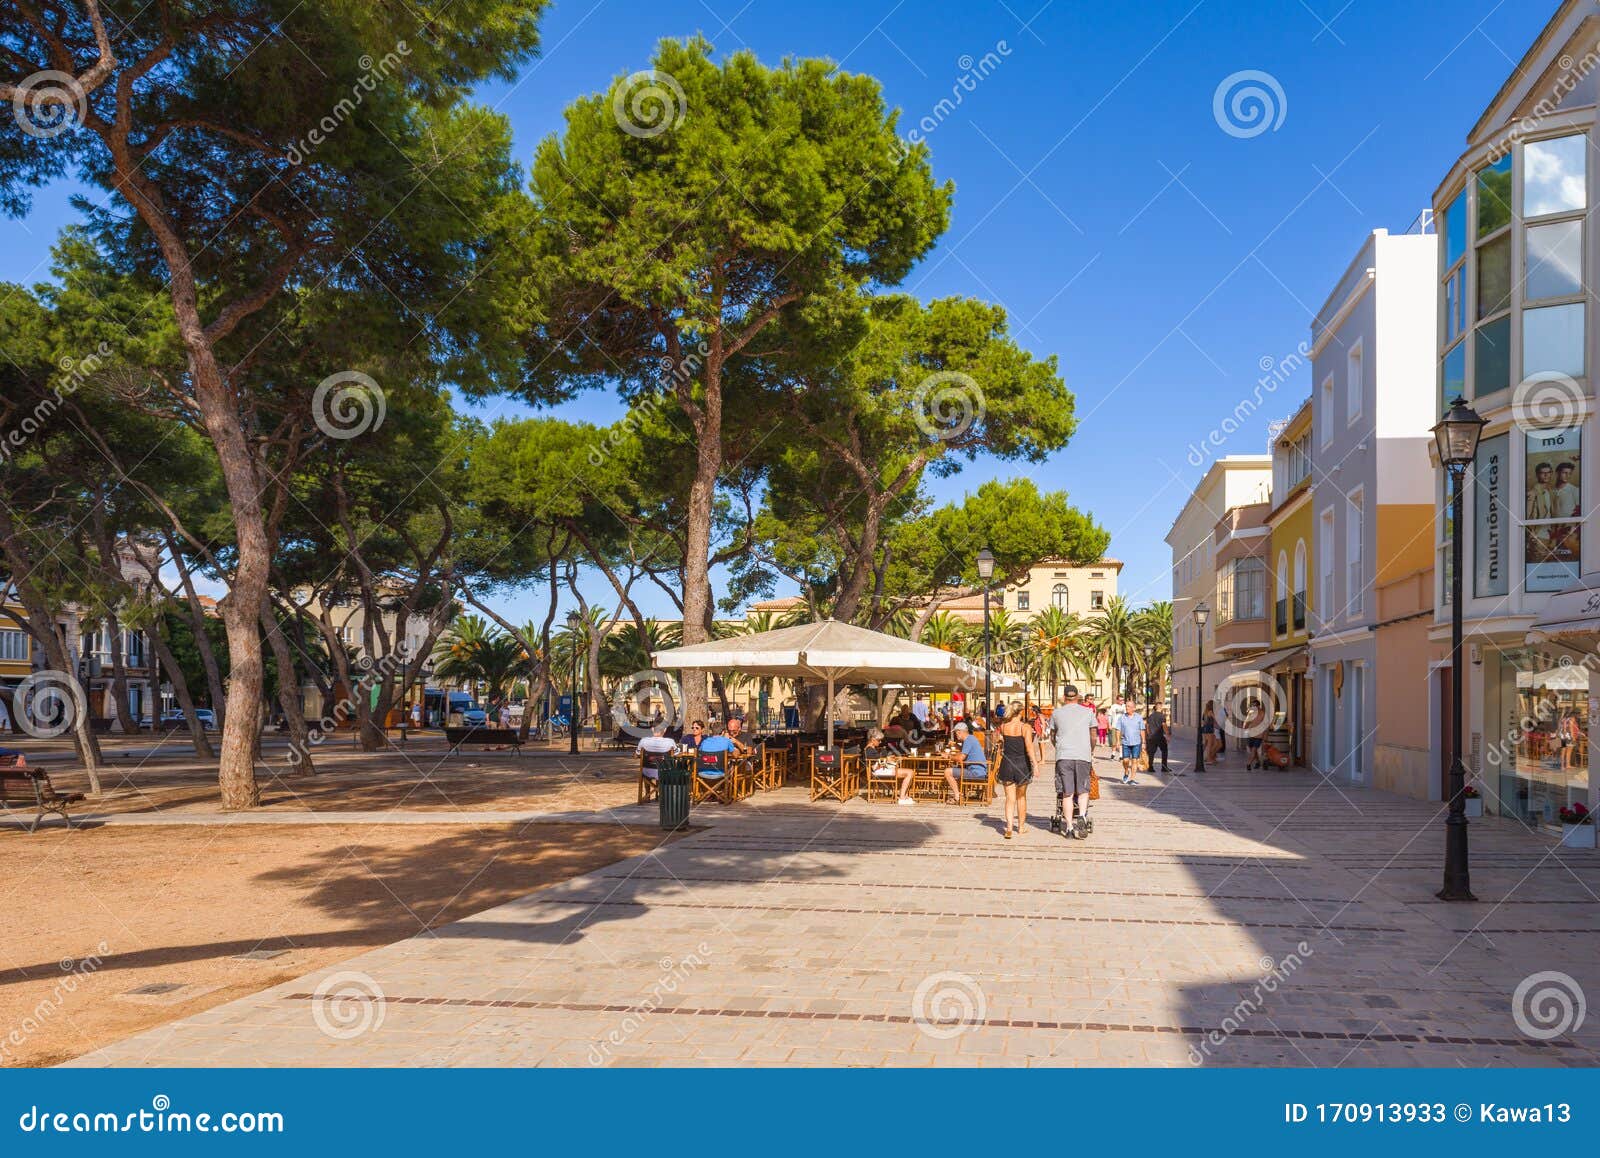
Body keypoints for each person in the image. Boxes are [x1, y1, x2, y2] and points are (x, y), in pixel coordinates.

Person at [1045, 685, 1097, 839]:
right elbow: (1093, 736)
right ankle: (1081, 816)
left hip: (1064, 756)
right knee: (1083, 791)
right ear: (1078, 696)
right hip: (1082, 756)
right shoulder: (1088, 712)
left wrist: (1059, 747)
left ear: (1064, 697)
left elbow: (1052, 736)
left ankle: (1068, 828)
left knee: (1067, 793)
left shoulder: (1056, 713)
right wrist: (1090, 750)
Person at [995, 703, 1038, 839]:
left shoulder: (1003, 727)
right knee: (1021, 797)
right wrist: (1035, 764)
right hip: (1022, 764)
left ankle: (1008, 828)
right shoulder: (1025, 727)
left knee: (1009, 798)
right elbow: (1029, 748)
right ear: (1021, 712)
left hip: (1007, 763)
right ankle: (1020, 827)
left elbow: (1000, 742)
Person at [942, 722, 988, 804]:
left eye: (956, 733)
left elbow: (960, 758)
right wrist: (956, 745)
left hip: (976, 772)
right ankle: (959, 795)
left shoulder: (968, 740)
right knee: (953, 770)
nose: (956, 735)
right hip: (978, 770)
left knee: (947, 771)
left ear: (960, 732)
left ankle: (957, 797)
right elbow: (964, 752)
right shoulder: (970, 738)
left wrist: (948, 756)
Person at [1116, 701, 1145, 784]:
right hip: (1125, 742)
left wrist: (1143, 742)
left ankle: (1132, 779)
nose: (1126, 708)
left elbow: (1142, 730)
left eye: (1128, 706)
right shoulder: (1121, 717)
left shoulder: (1139, 717)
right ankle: (1126, 771)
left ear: (1134, 708)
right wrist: (1118, 741)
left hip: (1137, 742)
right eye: (1126, 706)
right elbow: (1118, 730)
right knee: (1125, 760)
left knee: (1134, 761)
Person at [1145, 702, 1169, 774]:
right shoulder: (1162, 716)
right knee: (1164, 751)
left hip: (1151, 737)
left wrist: (1149, 734)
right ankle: (1164, 767)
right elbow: (1164, 726)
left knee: (1151, 752)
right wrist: (1167, 734)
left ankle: (1150, 767)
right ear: (1160, 707)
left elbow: (1147, 725)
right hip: (1159, 736)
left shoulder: (1151, 716)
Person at [1201, 701, 1220, 766]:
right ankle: (1209, 759)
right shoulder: (1211, 712)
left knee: (1207, 744)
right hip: (1209, 730)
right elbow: (1216, 720)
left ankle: (1201, 756)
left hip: (1205, 729)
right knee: (1209, 745)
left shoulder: (1205, 712)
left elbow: (1203, 722)